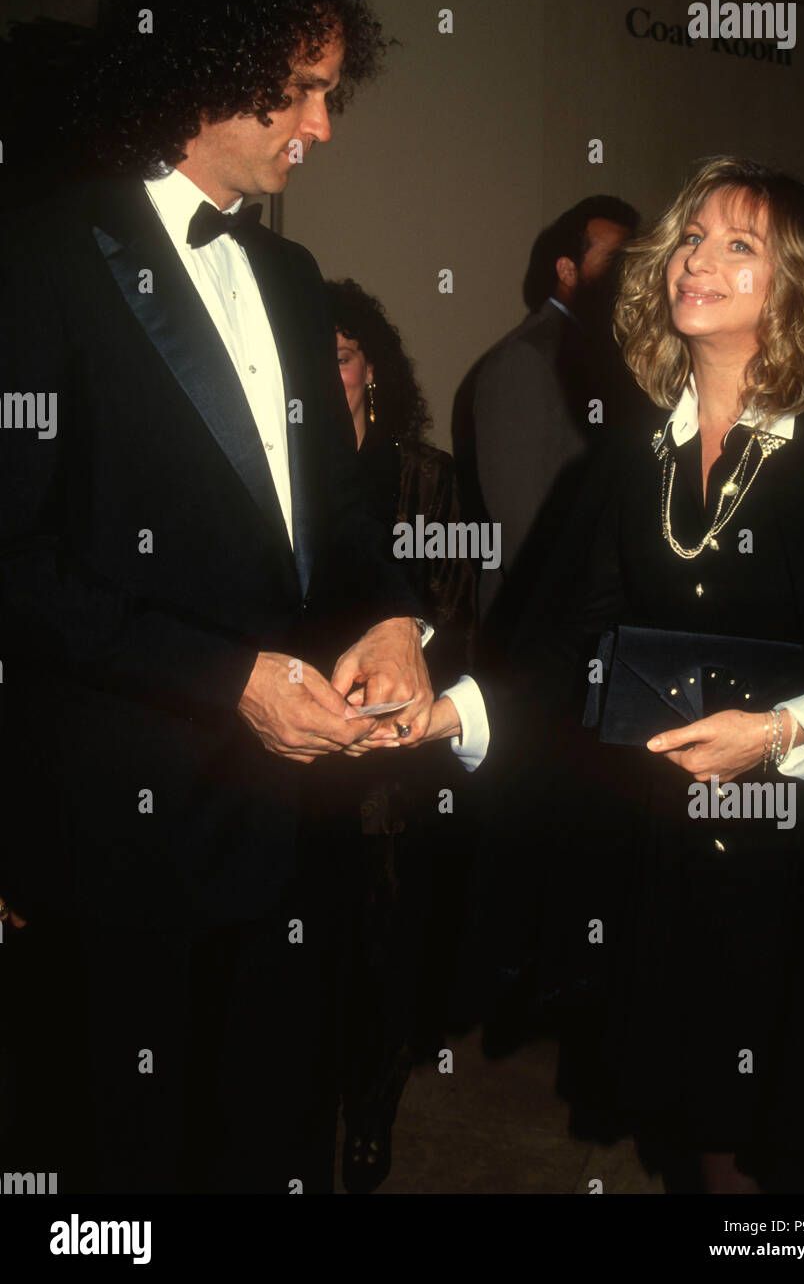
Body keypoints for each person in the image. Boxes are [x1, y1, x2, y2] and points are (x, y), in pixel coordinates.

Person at [0, 0, 434, 1195]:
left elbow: (345, 513)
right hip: (121, 811)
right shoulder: (37, 260)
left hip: (296, 812)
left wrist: (394, 617)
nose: (323, 126)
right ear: (207, 74)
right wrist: (224, 674)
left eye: (331, 93)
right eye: (300, 90)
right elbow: (13, 556)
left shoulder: (295, 279)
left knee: (265, 1138)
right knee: (115, 1166)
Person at [424, 156, 804, 1192]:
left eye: (741, 246)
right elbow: (559, 643)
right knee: (701, 1127)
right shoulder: (634, 455)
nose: (698, 260)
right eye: (692, 237)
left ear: (800, 286)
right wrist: (441, 711)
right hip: (674, 858)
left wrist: (781, 734)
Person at [327, 278, 476, 1191]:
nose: (324, 373)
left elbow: (455, 613)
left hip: (388, 763)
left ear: (370, 367)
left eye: (340, 354)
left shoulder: (426, 477)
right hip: (287, 759)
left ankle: (373, 1119)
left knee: (381, 960)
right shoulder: (269, 472)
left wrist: (386, 682)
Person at [452, 195, 640, 637]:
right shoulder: (525, 358)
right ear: (567, 271)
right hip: (542, 636)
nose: (626, 274)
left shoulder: (616, 357)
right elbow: (522, 530)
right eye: (612, 259)